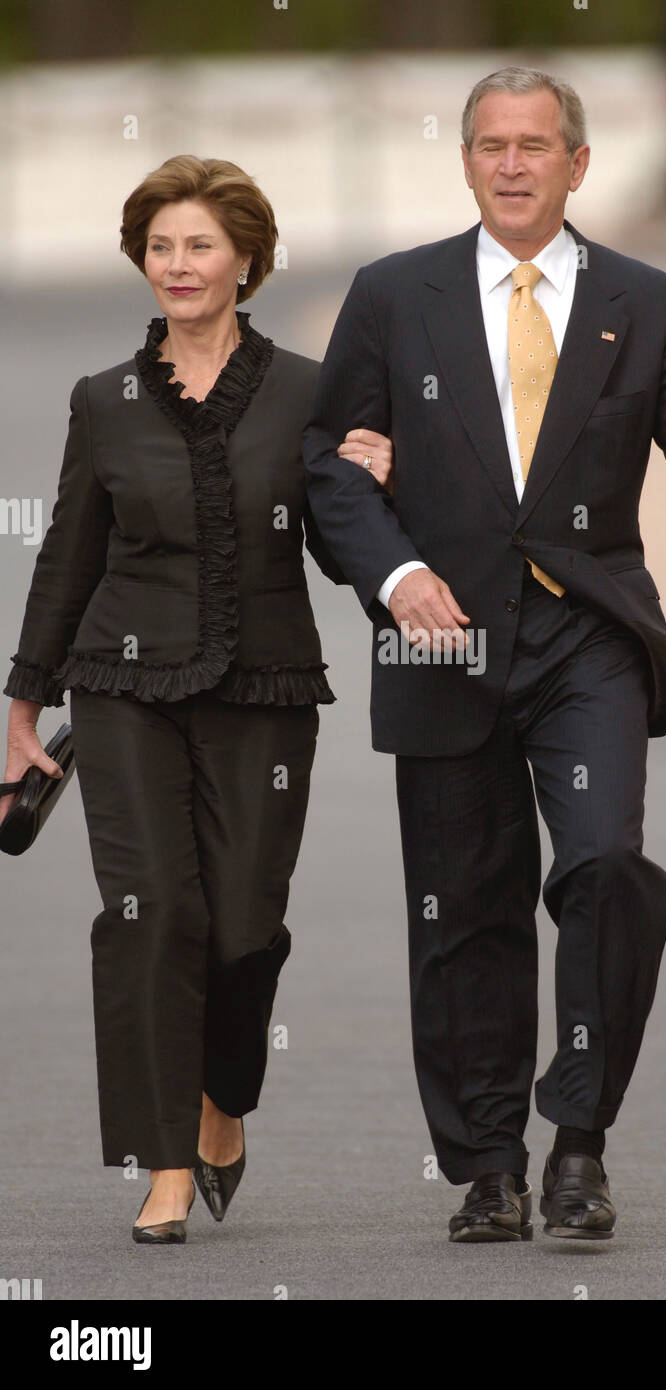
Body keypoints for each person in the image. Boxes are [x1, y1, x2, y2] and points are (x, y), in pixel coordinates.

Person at [303, 67, 666, 1243]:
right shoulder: (390, 296)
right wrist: (398, 579)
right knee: (464, 914)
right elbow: (332, 473)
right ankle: (487, 1168)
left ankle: (579, 1142)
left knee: (606, 867)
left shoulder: (646, 301)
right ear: (466, 162)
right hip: (440, 634)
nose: (512, 164)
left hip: (588, 637)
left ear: (578, 164)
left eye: (535, 145)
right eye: (491, 145)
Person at [1, 155, 392, 1245]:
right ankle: (165, 1159)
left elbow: (339, 542)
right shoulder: (104, 400)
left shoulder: (312, 391)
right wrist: (23, 709)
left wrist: (376, 487)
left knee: (242, 931)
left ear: (246, 261)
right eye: (160, 247)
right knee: (149, 915)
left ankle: (224, 1101)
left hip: (264, 692)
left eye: (199, 246)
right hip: (121, 687)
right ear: (143, 262)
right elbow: (66, 558)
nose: (178, 265)